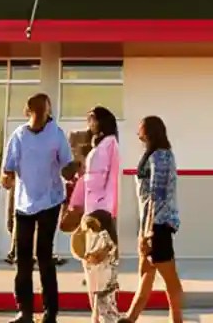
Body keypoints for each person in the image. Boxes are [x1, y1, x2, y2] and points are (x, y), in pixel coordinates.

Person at [1, 93, 73, 323]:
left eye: (46, 109)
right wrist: (6, 177)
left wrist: (75, 169)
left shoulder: (56, 134)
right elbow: (7, 170)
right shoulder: (19, 136)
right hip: (24, 203)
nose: (44, 113)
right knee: (23, 259)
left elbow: (66, 165)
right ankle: (24, 311)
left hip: (50, 201)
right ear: (29, 111)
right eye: (39, 109)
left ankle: (50, 312)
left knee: (44, 255)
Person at [121, 116, 183, 323]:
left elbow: (157, 196)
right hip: (150, 226)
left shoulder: (161, 157)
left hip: (157, 227)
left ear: (150, 131)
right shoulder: (153, 155)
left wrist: (147, 233)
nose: (137, 131)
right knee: (146, 276)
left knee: (170, 280)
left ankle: (177, 320)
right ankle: (130, 318)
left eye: (141, 127)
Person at [77, 107, 121, 314]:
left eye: (92, 119)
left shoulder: (111, 144)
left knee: (102, 266)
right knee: (90, 266)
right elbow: (87, 180)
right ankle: (95, 315)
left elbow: (112, 181)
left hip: (100, 214)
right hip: (90, 213)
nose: (89, 123)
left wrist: (105, 212)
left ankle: (104, 315)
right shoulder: (97, 145)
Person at [73, 209, 120, 323]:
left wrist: (90, 257)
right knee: (104, 308)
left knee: (105, 310)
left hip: (104, 283)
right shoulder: (103, 238)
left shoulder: (104, 238)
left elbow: (100, 256)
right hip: (102, 283)